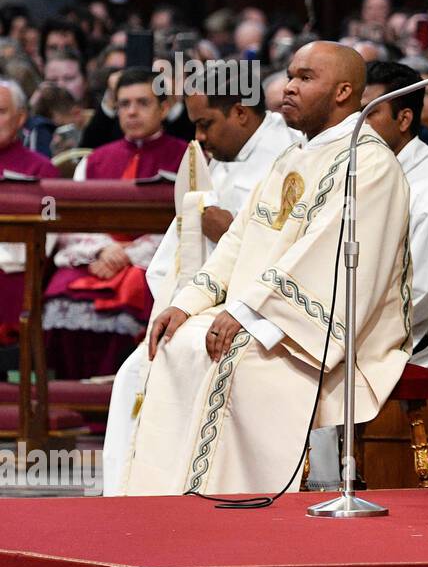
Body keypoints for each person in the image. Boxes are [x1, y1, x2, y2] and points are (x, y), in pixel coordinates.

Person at [120, 42, 411, 496]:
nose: (288, 88)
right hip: (263, 313)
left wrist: (248, 313)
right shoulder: (293, 156)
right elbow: (240, 240)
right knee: (179, 342)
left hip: (320, 330)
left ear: (343, 91)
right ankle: (166, 502)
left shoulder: (368, 162)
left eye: (305, 78)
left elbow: (325, 260)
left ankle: (230, 505)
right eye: (290, 75)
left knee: (237, 358)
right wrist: (187, 302)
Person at [101, 83, 297, 496]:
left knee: (182, 358)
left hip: (271, 310)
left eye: (206, 124)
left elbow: (296, 253)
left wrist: (224, 230)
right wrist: (184, 304)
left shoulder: (288, 158)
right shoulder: (222, 158)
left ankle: (211, 489)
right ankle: (139, 491)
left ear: (241, 113)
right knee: (138, 371)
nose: (200, 139)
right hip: (218, 299)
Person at [306, 61, 428, 488]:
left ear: (405, 119)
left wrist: (335, 327)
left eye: (371, 113)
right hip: (358, 326)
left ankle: (333, 483)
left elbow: (418, 297)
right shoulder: (362, 176)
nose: (356, 125)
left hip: (416, 344)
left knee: (313, 364)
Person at [42, 68, 189, 378]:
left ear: (164, 107)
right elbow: (71, 219)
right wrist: (104, 250)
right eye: (124, 104)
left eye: (142, 103)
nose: (132, 111)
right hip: (97, 259)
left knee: (136, 292)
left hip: (150, 264)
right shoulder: (94, 160)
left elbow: (187, 223)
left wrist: (129, 254)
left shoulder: (187, 158)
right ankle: (72, 395)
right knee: (59, 289)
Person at [0, 78, 59, 338]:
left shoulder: (43, 170)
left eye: (1, 112)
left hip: (18, 267)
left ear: (21, 118)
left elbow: (51, 227)